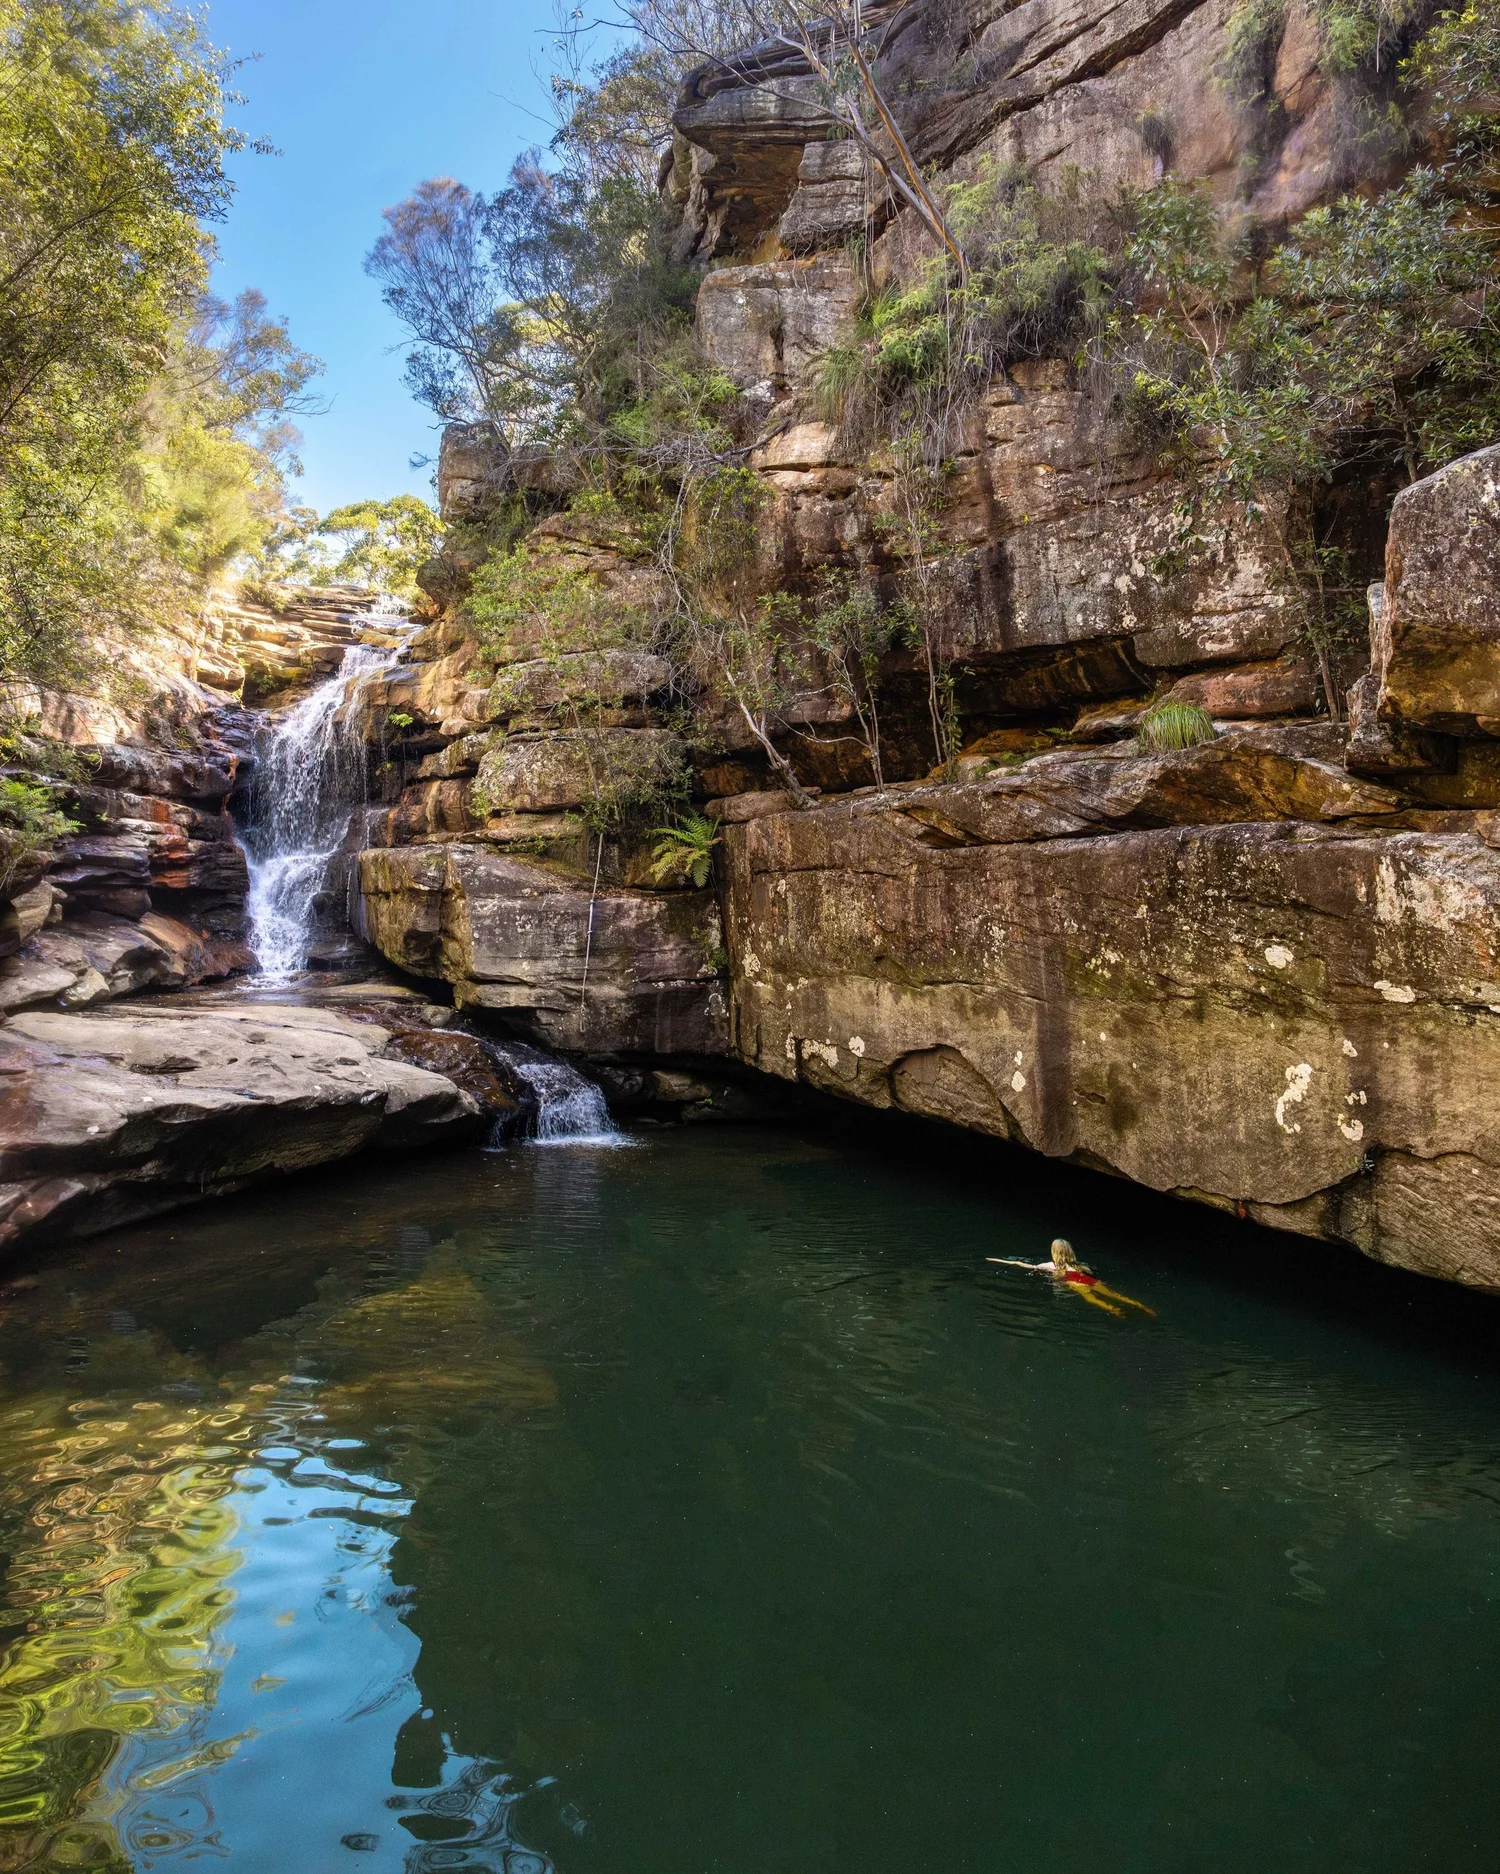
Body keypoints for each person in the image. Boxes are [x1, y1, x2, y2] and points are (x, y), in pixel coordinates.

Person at [988, 1239, 1156, 1317]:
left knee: (1093, 1299)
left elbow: (1027, 1266)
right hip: (1089, 1280)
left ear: (1054, 1252)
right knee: (1116, 1295)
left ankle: (1112, 1310)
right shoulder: (1078, 1264)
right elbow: (1089, 1272)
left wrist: (1005, 1261)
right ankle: (1143, 1307)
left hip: (1076, 1284)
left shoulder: (1051, 1265)